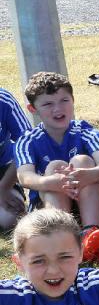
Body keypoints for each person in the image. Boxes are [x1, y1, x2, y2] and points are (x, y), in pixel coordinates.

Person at [15, 72, 99, 263]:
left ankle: (90, 233)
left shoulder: (84, 130)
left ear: (73, 100)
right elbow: (24, 177)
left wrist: (89, 174)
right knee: (55, 167)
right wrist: (52, 182)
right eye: (48, 104)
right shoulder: (27, 140)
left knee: (83, 161)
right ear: (32, 108)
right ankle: (62, 237)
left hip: (93, 204)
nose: (58, 109)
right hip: (48, 211)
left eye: (64, 100)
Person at [0, 86, 32, 230]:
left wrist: (4, 188)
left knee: (11, 217)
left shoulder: (3, 99)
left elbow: (28, 144)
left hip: (3, 173)